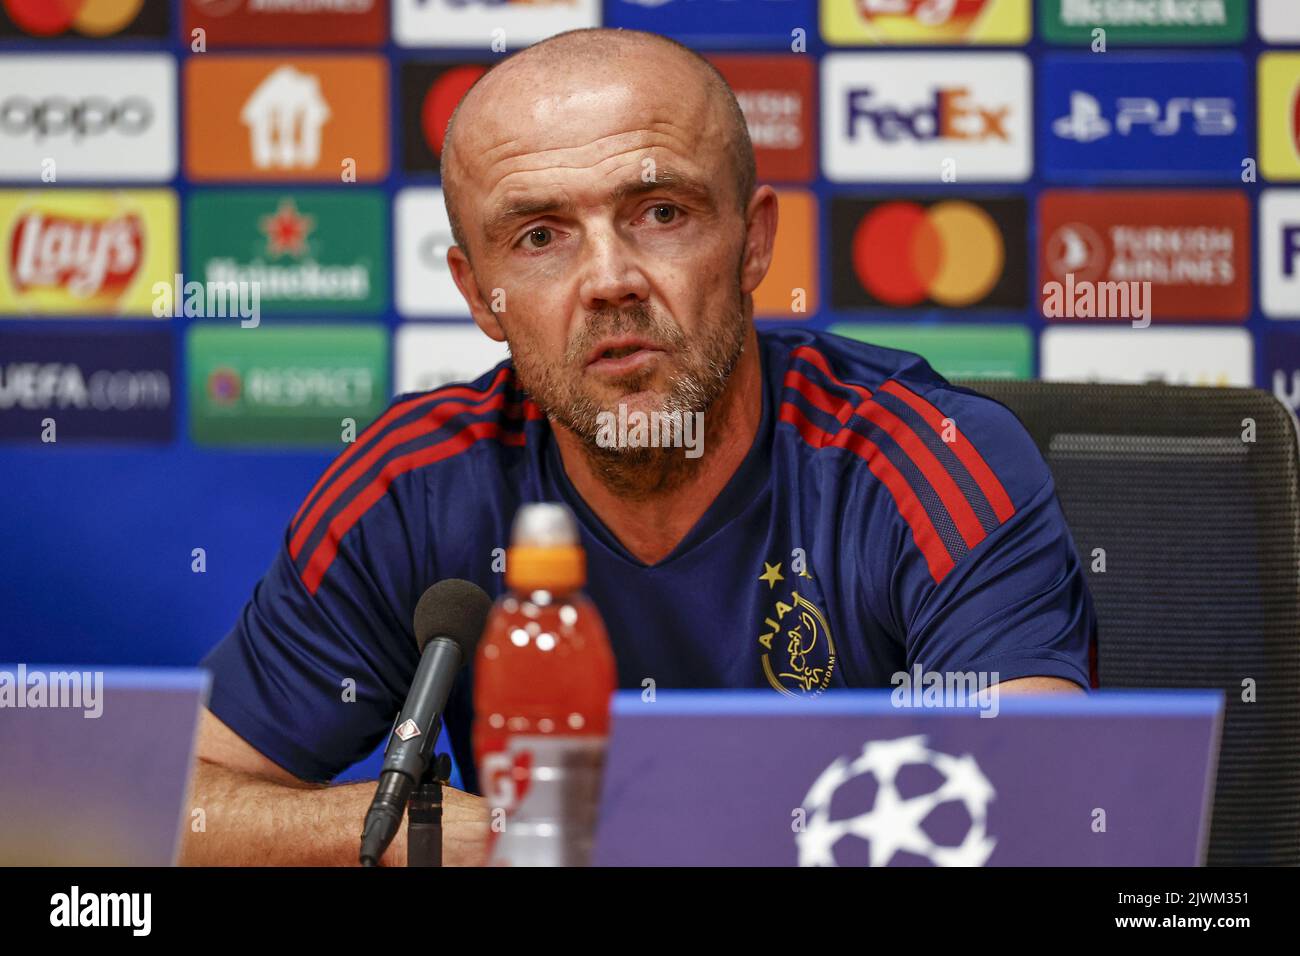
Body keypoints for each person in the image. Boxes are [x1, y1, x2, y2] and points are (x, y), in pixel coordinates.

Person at [183, 27, 1096, 867]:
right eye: (540, 237)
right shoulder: (413, 488)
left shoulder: (927, 459)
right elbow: (180, 807)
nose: (609, 280)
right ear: (479, 293)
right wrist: (411, 834)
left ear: (752, 241)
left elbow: (1047, 816)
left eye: (660, 212)